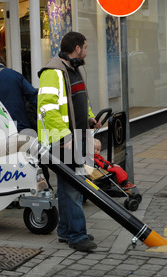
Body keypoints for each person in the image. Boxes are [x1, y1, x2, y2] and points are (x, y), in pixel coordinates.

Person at [37, 31, 101, 252]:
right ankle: (77, 236)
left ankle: (66, 232)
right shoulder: (53, 72)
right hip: (63, 143)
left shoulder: (73, 70)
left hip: (75, 140)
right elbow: (47, 108)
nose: (86, 52)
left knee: (67, 188)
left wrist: (91, 119)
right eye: (85, 47)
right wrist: (64, 138)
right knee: (75, 188)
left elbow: (81, 100)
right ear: (76, 49)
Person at [0, 54, 37, 132]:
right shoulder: (16, 74)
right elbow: (32, 93)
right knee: (21, 142)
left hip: (0, 122)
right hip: (19, 120)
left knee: (4, 143)